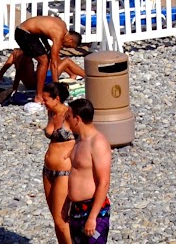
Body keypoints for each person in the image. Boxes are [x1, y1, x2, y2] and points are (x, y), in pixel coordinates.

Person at [0, 17, 86, 102]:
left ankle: (86, 76)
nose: (64, 47)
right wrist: (57, 87)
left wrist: (47, 47)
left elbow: (42, 31)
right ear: (70, 39)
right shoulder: (59, 35)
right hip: (24, 33)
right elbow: (54, 64)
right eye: (69, 46)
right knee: (45, 60)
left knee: (46, 58)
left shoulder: (61, 25)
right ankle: (38, 96)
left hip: (25, 31)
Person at [64, 98, 111, 244]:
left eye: (68, 117)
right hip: (76, 210)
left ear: (77, 119)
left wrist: (92, 217)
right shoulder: (79, 141)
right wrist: (67, 203)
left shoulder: (97, 142)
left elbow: (104, 182)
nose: (66, 120)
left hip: (93, 209)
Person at [38, 82, 75, 244]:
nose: (43, 102)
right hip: (48, 170)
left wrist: (74, 152)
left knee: (61, 219)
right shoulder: (51, 113)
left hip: (64, 172)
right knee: (56, 218)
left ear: (57, 99)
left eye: (46, 99)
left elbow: (88, 136)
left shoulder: (71, 115)